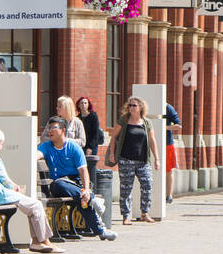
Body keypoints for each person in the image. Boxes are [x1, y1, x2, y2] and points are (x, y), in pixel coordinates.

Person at [0, 128, 62, 253]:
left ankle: (37, 242)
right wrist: (16, 188)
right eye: (0, 144)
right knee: (36, 205)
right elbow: (5, 180)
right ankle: (44, 241)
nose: (1, 147)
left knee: (32, 208)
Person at [38, 116, 117, 241]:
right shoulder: (46, 146)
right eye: (49, 128)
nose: (50, 131)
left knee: (82, 197)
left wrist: (86, 189)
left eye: (54, 127)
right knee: (61, 185)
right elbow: (38, 155)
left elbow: (83, 170)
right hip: (58, 184)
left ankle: (100, 230)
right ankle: (93, 202)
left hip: (75, 183)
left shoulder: (74, 148)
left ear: (63, 130)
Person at [107, 96, 159, 225]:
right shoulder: (124, 120)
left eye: (134, 105)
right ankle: (125, 215)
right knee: (126, 188)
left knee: (147, 184)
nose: (131, 108)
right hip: (126, 159)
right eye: (130, 105)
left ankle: (144, 213)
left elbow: (152, 141)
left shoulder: (146, 122)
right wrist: (112, 154)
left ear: (141, 107)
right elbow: (114, 137)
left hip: (143, 160)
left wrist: (157, 159)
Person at [163, 102, 182, 205]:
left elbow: (178, 126)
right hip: (151, 142)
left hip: (167, 143)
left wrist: (163, 127)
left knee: (168, 169)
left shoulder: (168, 108)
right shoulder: (148, 106)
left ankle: (169, 195)